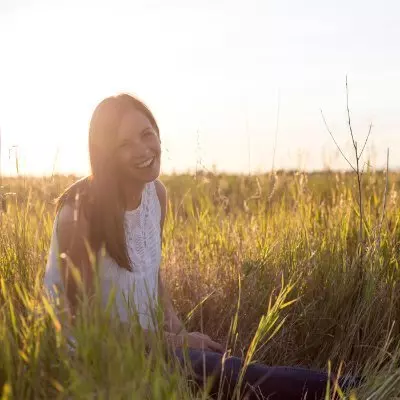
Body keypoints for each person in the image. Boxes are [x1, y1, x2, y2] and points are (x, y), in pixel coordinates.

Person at [44, 93, 356, 399]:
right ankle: (356, 388)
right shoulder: (79, 215)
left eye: (146, 134)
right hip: (102, 357)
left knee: (224, 365)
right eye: (124, 144)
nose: (143, 149)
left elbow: (153, 281)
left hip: (152, 344)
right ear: (106, 153)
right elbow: (85, 321)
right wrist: (173, 343)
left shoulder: (157, 195)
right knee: (240, 375)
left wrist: (180, 335)